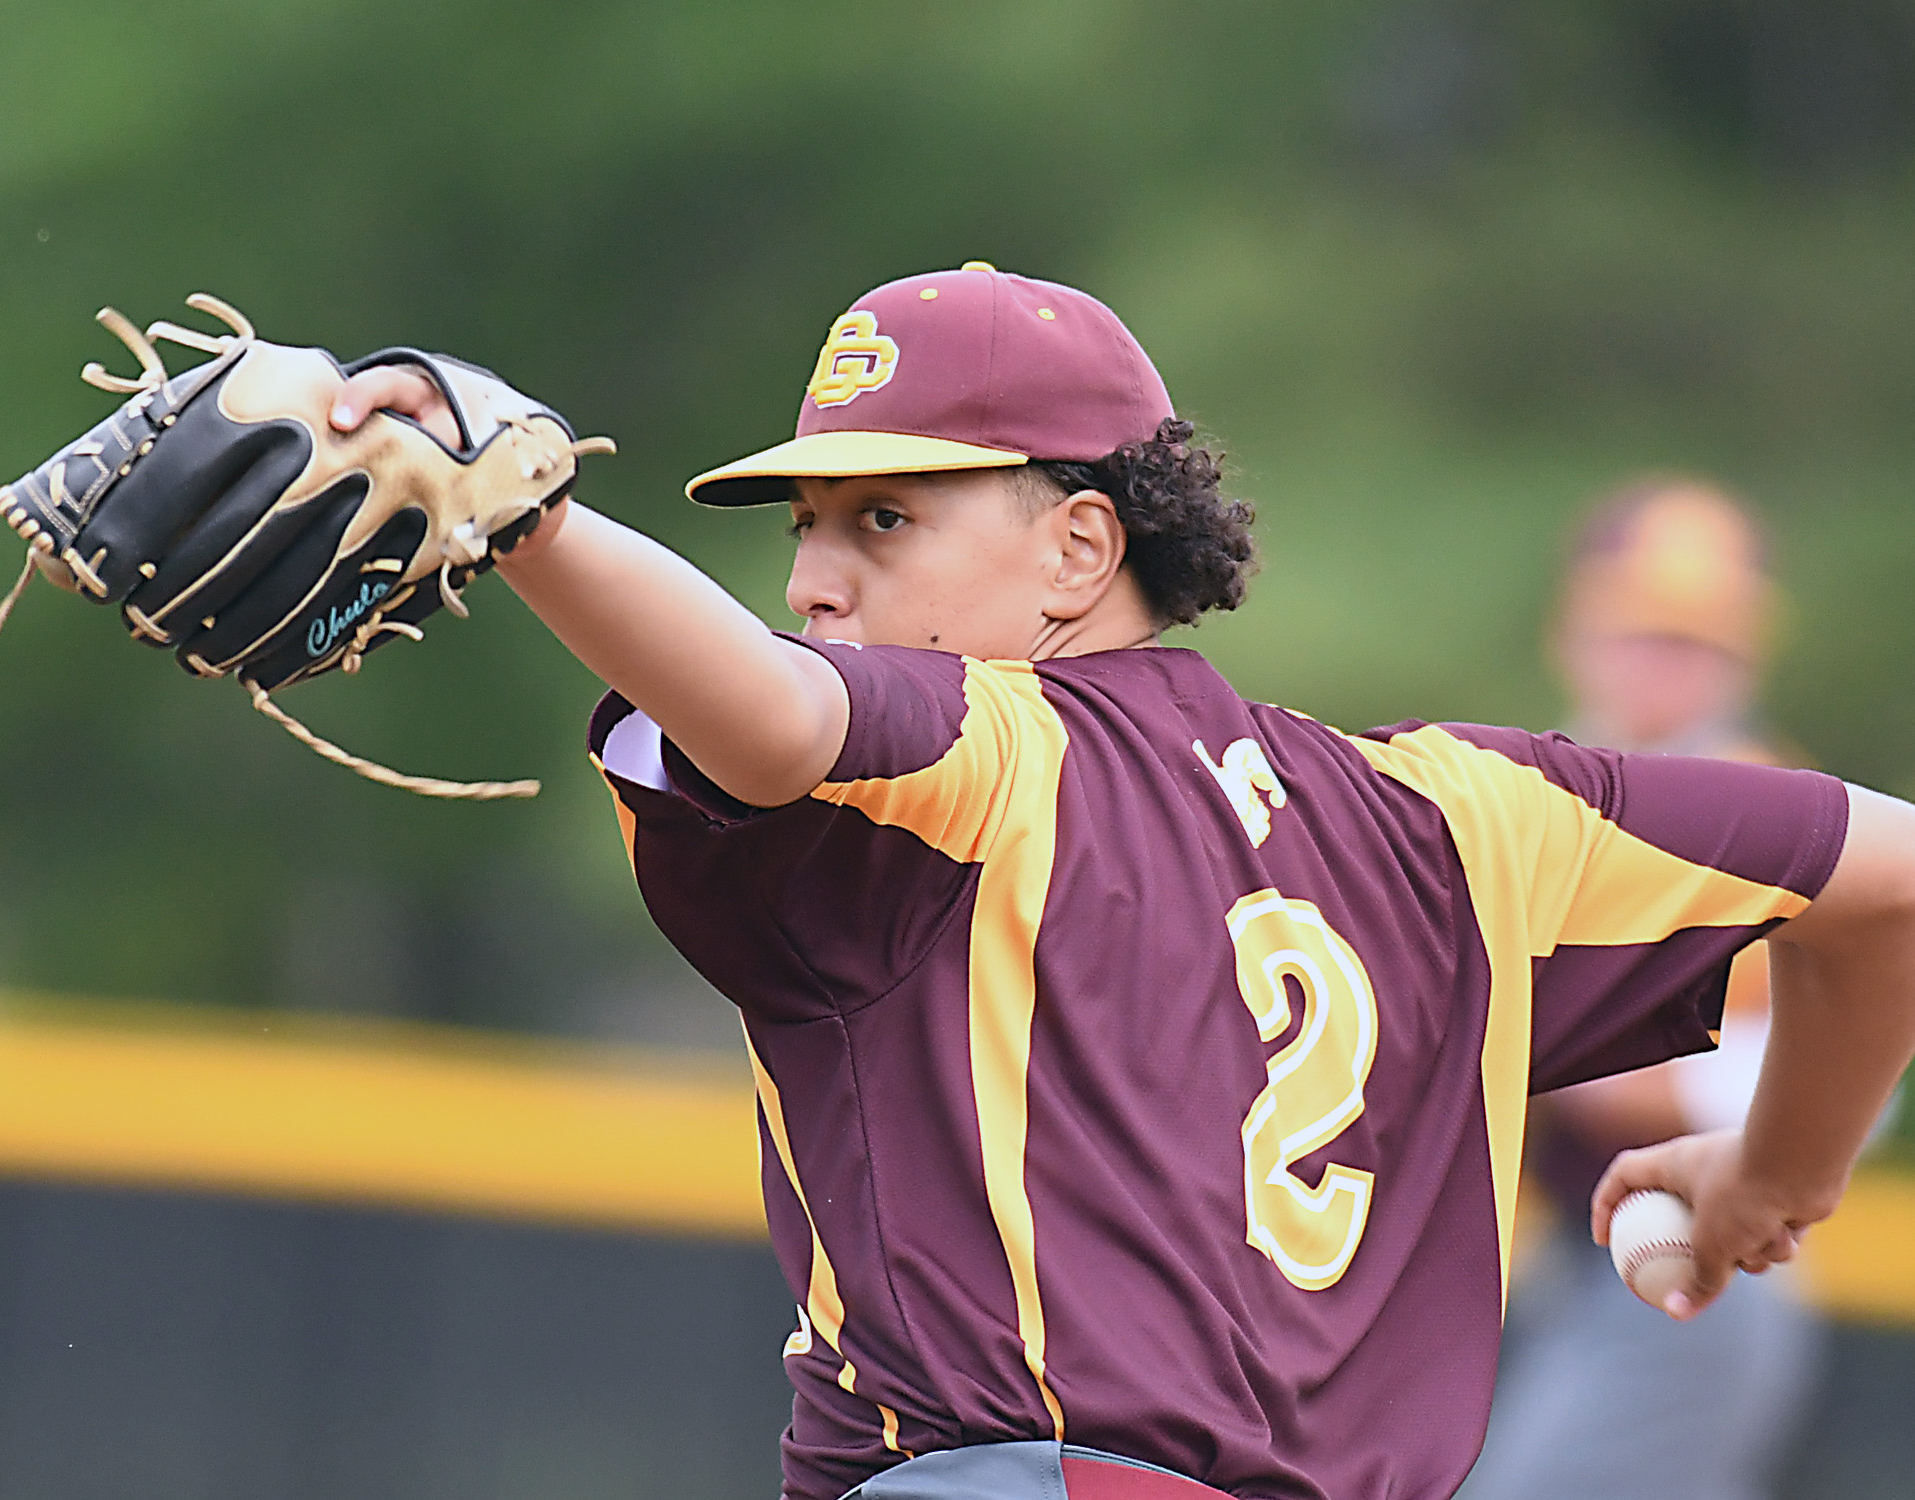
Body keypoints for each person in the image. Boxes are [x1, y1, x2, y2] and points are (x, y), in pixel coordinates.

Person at [327, 264, 1915, 1500]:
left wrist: (528, 521)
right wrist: (1773, 1182)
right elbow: (1895, 882)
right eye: (809, 524)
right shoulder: (1464, 815)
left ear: (1081, 552)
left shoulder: (980, 750)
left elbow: (770, 715)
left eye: (887, 517)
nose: (817, 575)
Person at [1457, 482, 1823, 1500]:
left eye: (1696, 640)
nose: (1666, 662)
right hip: (1564, 1271)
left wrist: (1488, 1011)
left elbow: (1694, 1094)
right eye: (1643, 632)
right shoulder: (1542, 792)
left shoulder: (1770, 815)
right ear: (1577, 632)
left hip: (1695, 1273)